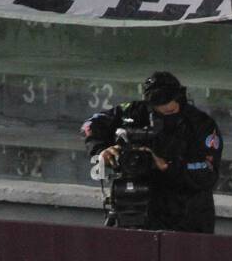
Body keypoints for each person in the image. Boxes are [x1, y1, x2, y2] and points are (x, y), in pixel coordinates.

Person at [82, 70, 223, 233]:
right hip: (135, 205)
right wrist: (101, 151)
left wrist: (166, 165)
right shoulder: (133, 112)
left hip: (187, 213)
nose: (166, 112)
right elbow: (89, 125)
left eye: (170, 110)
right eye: (158, 109)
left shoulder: (200, 123)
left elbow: (209, 170)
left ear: (180, 98)